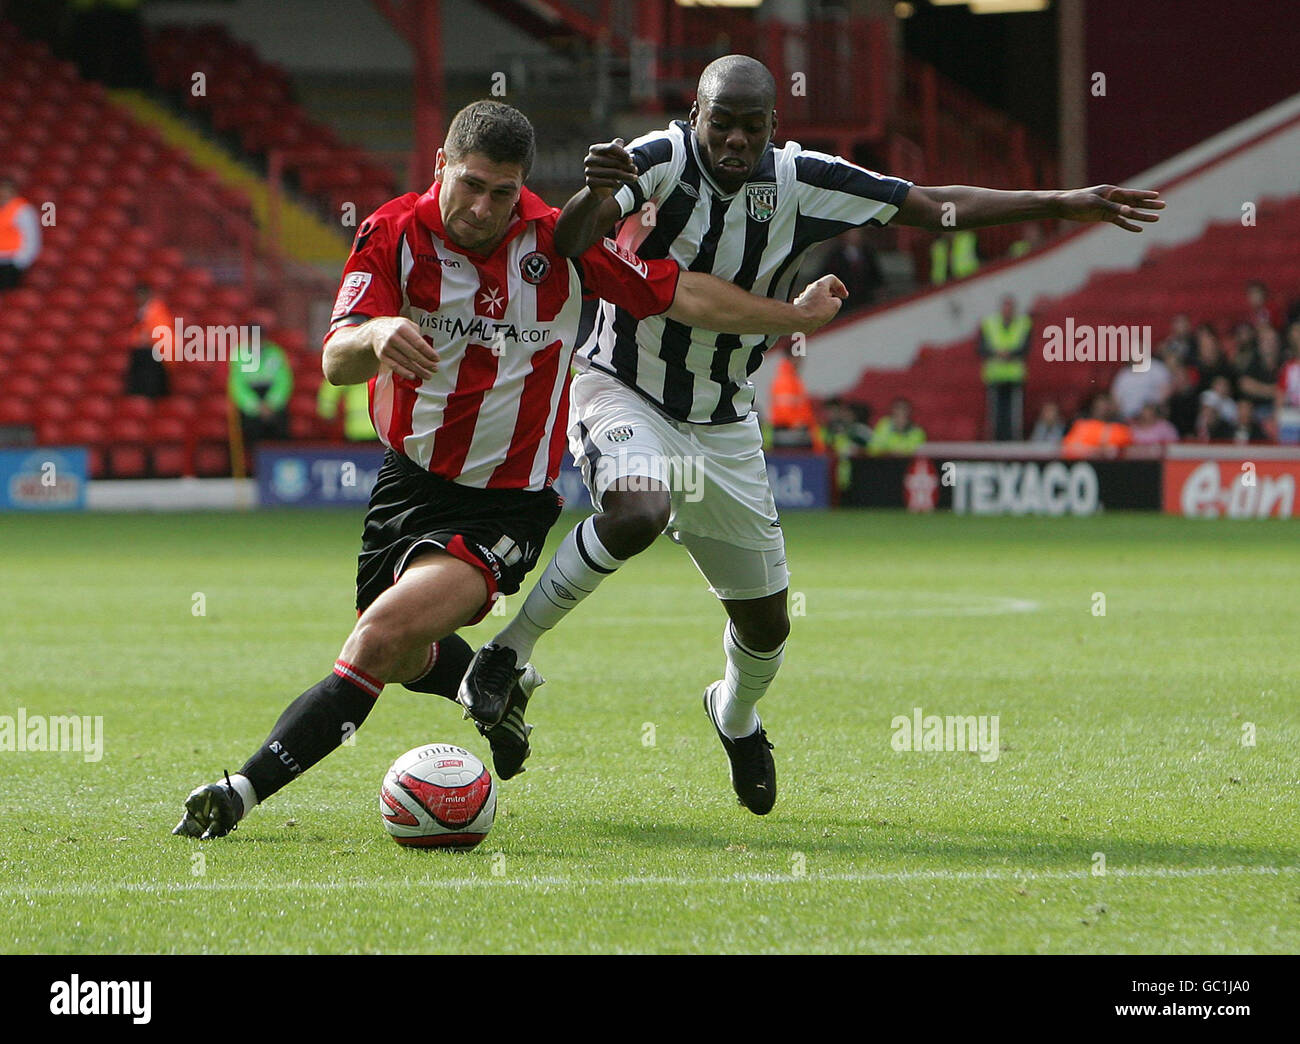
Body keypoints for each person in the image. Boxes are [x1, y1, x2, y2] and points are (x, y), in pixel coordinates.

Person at [458, 55, 1164, 816]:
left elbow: (930, 205)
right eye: (718, 122)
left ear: (773, 126)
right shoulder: (657, 159)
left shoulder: (801, 180)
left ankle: (733, 715)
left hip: (723, 418)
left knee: (765, 622)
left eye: (749, 127)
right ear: (695, 113)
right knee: (637, 511)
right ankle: (509, 651)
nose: (732, 140)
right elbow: (569, 246)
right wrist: (597, 195)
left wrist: (1062, 203)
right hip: (621, 384)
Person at [172, 100, 845, 839]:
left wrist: (793, 316)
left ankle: (237, 792)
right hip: (407, 484)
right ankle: (492, 684)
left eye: (503, 192)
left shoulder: (559, 241)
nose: (483, 207)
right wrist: (381, 334)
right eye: (470, 185)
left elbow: (677, 292)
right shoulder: (392, 232)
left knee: (378, 636)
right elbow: (336, 358)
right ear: (440, 168)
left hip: (504, 505)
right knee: (400, 656)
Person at [978, 295, 1032, 440]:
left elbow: (1026, 348)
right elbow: (981, 348)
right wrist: (997, 353)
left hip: (1014, 376)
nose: (1007, 311)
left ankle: (1014, 441)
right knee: (995, 413)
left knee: (1014, 414)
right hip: (995, 376)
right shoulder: (989, 324)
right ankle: (995, 440)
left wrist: (1009, 354)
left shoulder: (1024, 323)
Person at [230, 337, 293, 446]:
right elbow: (237, 385)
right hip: (251, 407)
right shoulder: (239, 354)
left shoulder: (275, 353)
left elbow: (284, 380)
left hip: (274, 405)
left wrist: (271, 404)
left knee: (279, 435)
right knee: (250, 436)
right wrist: (256, 407)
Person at [765, 349, 825, 451]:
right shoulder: (786, 380)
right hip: (791, 432)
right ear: (793, 358)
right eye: (800, 358)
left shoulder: (791, 378)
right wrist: (796, 423)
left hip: (792, 430)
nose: (802, 362)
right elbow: (784, 408)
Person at [124, 284, 172, 398]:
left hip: (155, 353)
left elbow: (161, 332)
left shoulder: (157, 310)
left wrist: (149, 338)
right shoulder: (142, 311)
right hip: (142, 352)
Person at [1061, 393, 1133, 458]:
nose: (1103, 408)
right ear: (1094, 406)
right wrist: (1097, 450)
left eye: (1107, 405)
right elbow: (1068, 448)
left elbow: (1128, 450)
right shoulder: (1082, 425)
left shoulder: (1120, 427)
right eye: (1100, 405)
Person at [0, 177, 41, 290]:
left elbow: (32, 239)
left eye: (6, 191)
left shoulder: (23, 211)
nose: (3, 194)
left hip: (10, 263)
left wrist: (18, 263)